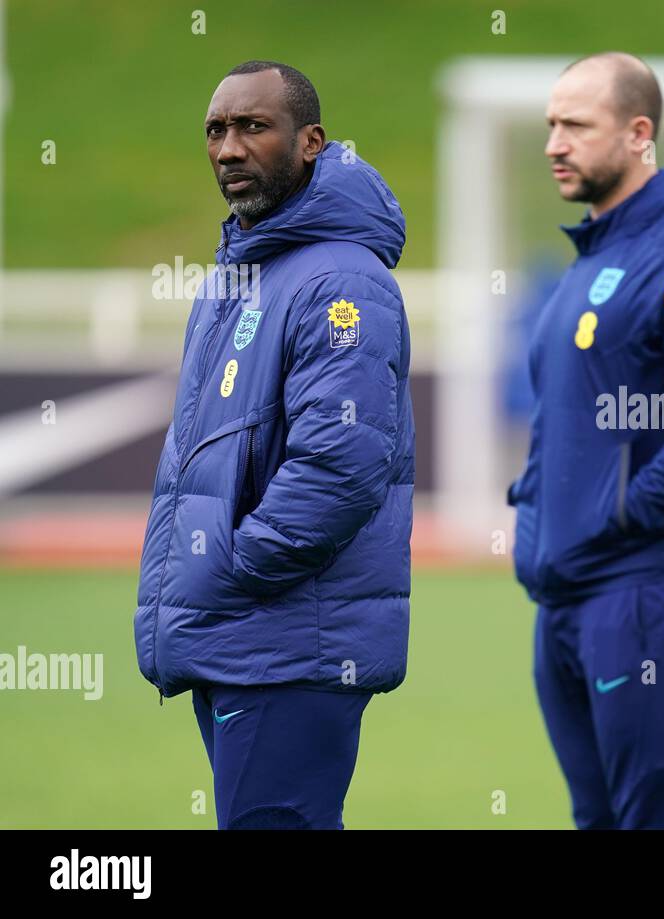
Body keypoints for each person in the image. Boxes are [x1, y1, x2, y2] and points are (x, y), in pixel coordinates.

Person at [133, 60, 414, 830]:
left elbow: (339, 468)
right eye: (216, 130)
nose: (228, 148)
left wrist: (231, 566)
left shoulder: (340, 283)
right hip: (244, 636)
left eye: (253, 127)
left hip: (288, 642)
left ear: (311, 141)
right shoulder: (244, 275)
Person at [508, 52, 664, 829]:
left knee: (659, 818)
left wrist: (612, 516)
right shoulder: (586, 264)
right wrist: (534, 520)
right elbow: (562, 426)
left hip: (651, 588)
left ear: (639, 133)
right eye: (551, 124)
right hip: (567, 595)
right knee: (600, 819)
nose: (555, 142)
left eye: (576, 125)